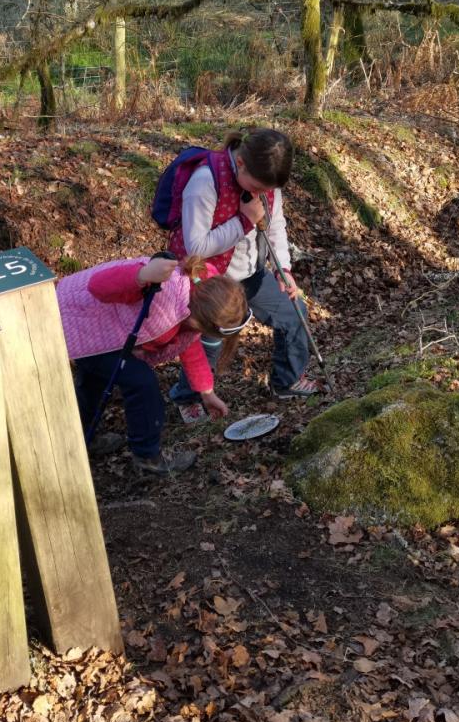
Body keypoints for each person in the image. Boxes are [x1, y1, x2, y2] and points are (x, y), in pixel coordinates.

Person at [167, 127, 318, 423]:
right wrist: (245, 221)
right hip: (208, 279)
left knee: (294, 309)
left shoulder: (268, 182)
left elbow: (275, 227)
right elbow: (196, 246)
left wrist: (284, 269)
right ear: (241, 163)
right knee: (208, 340)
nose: (263, 195)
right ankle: (189, 396)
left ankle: (286, 381)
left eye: (268, 190)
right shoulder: (204, 183)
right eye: (258, 187)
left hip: (251, 274)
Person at [58, 254, 250, 474]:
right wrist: (142, 275)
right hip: (80, 323)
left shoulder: (197, 302)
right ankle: (147, 456)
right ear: (199, 321)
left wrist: (206, 392)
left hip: (108, 334)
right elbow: (98, 285)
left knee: (94, 385)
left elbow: (187, 345)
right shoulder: (165, 287)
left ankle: (81, 438)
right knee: (142, 382)